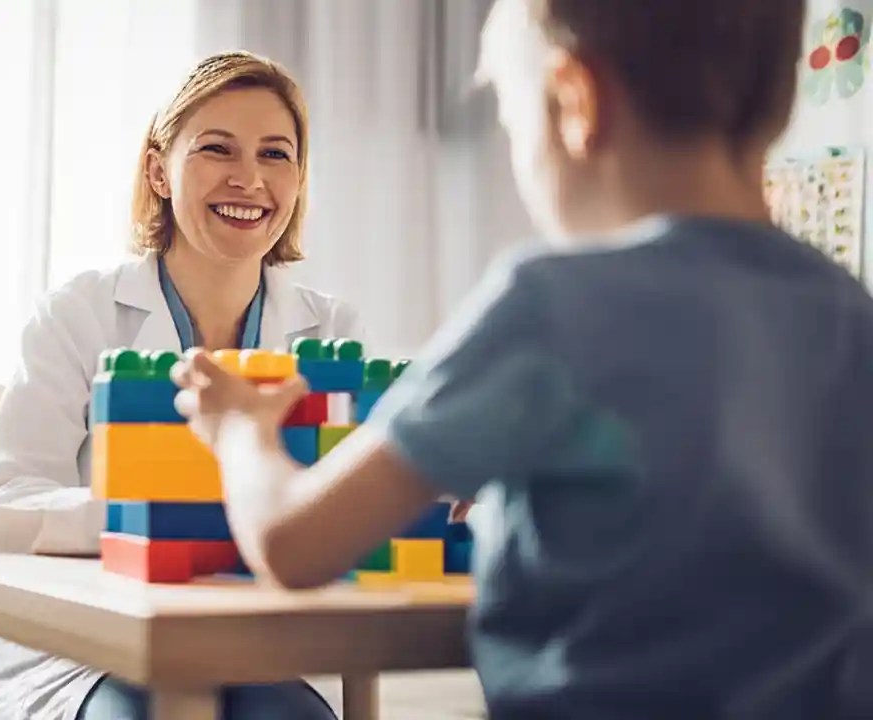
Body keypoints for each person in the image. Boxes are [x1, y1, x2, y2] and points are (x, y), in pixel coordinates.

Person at [171, 1, 873, 718]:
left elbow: (295, 544)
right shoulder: (850, 315)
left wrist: (239, 432)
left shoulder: (551, 304)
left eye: (512, 121)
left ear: (576, 101)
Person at [0, 50, 357, 720]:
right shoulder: (79, 313)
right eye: (217, 149)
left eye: (275, 154)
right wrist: (154, 518)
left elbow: (347, 506)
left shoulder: (328, 330)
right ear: (158, 170)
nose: (248, 179)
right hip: (89, 653)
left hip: (264, 649)